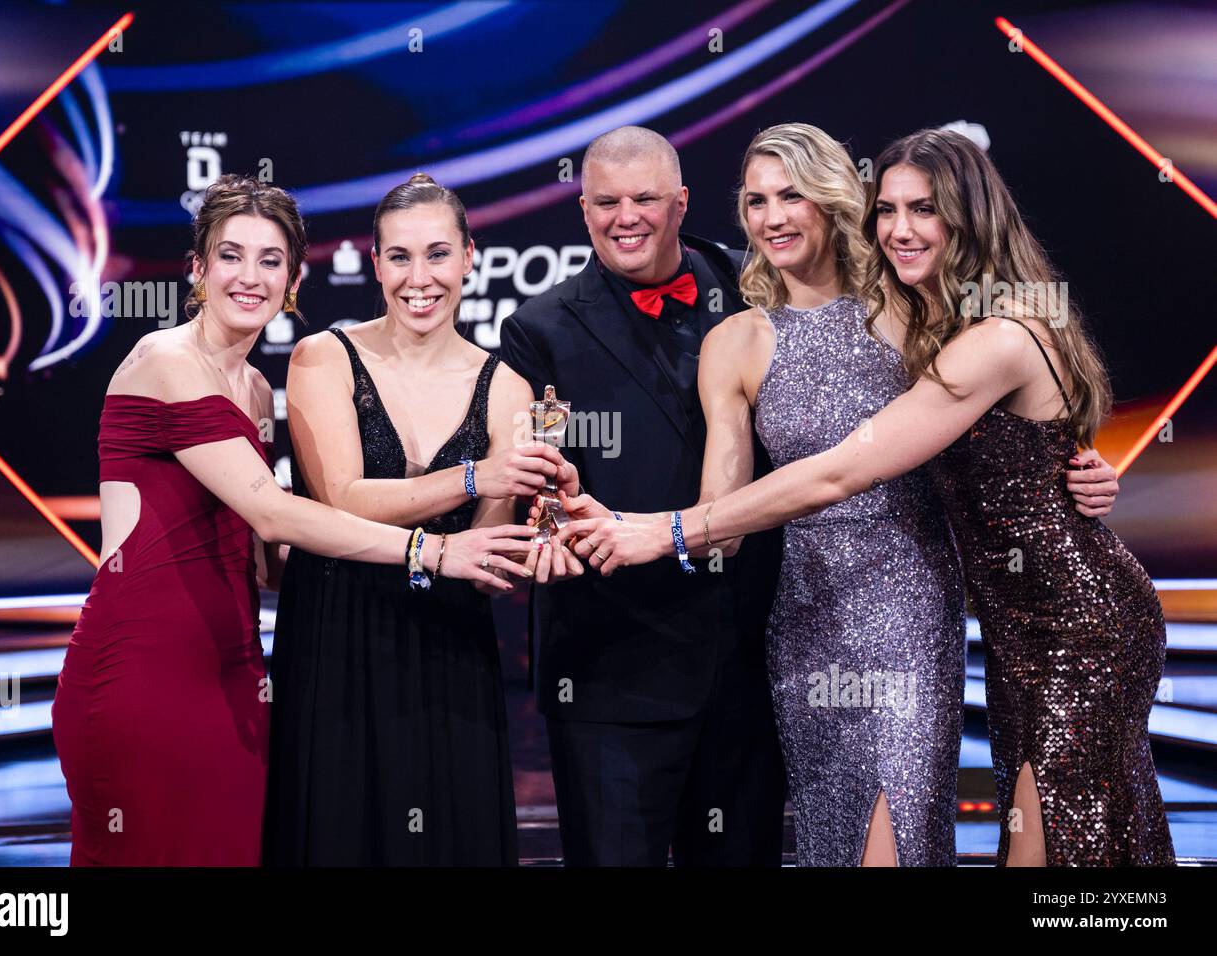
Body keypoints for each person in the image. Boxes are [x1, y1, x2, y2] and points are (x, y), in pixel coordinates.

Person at [561, 129, 1175, 867]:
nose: (772, 216)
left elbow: (857, 467)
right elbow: (725, 518)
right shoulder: (737, 340)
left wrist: (1079, 470)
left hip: (916, 610)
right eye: (755, 200)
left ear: (832, 202)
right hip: (809, 619)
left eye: (792, 195)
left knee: (932, 837)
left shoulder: (923, 317)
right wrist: (633, 524)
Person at [52, 175, 534, 866]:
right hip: (144, 671)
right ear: (197, 268)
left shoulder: (253, 388)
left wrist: (540, 536)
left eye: (270, 260)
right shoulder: (166, 359)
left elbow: (260, 555)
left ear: (293, 278)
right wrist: (432, 550)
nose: (250, 277)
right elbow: (275, 514)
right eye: (230, 255)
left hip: (233, 672)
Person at [499, 126, 785, 866]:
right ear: (583, 210)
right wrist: (550, 521)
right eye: (606, 202)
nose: (625, 217)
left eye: (645, 199)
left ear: (682, 203)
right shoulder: (538, 330)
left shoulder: (755, 288)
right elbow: (540, 469)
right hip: (607, 672)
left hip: (744, 662)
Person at [263, 174, 568, 866]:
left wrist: (549, 529)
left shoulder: (509, 388)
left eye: (437, 254)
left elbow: (487, 559)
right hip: (334, 640)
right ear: (375, 265)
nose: (418, 278)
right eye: (399, 257)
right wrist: (474, 477)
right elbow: (341, 497)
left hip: (447, 651)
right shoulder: (324, 356)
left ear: (469, 258)